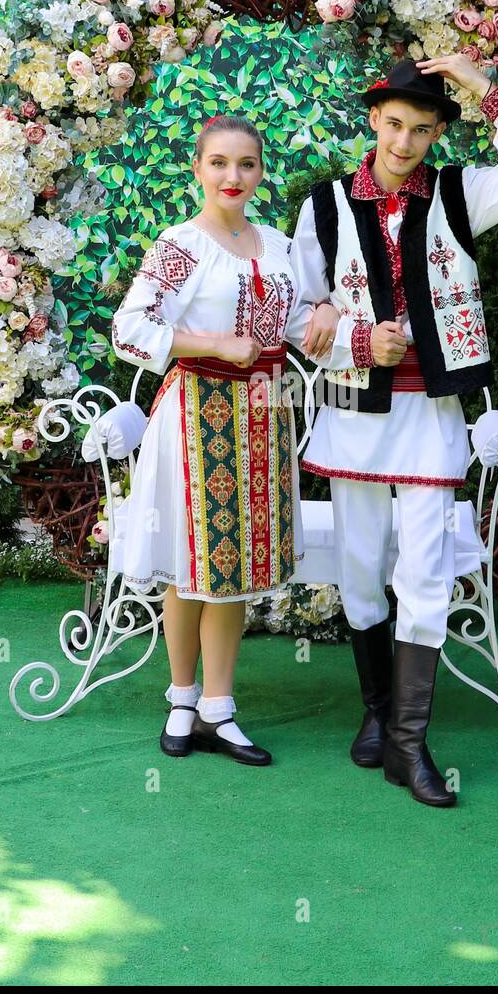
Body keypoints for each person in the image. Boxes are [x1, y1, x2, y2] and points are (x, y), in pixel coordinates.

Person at [289, 53, 498, 807]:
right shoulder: (323, 208)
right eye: (393, 125)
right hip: (352, 416)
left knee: (424, 572)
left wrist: (481, 87)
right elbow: (294, 311)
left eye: (421, 129)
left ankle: (409, 746)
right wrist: (349, 338)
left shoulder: (460, 193)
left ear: (440, 131)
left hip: (430, 417)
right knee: (358, 569)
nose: (404, 142)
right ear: (372, 122)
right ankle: (378, 716)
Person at [110, 115, 351, 767]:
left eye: (246, 164)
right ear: (198, 169)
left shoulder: (278, 245)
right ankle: (181, 699)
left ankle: (218, 708)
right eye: (218, 162)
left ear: (261, 170)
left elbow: (305, 326)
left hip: (263, 419)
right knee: (192, 567)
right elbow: (129, 328)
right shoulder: (180, 245)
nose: (232, 176)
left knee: (232, 571)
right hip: (194, 414)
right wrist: (213, 341)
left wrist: (328, 309)